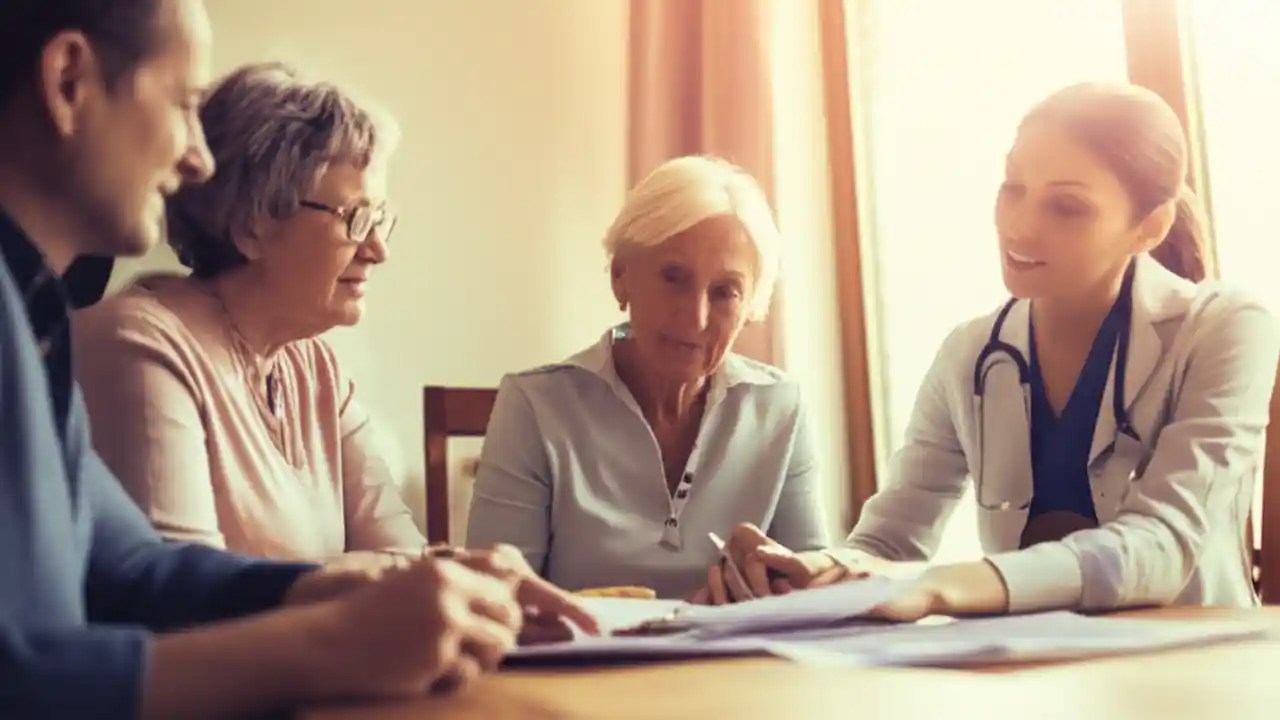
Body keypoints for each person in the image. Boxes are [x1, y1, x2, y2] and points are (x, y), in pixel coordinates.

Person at [0, 2, 594, 717]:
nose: (196, 160)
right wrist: (332, 641)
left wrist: (364, 591)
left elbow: (135, 570)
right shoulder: (113, 332)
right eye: (185, 104)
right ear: (69, 81)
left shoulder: (34, 316)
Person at [703, 83, 1280, 615]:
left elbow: (1163, 543)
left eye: (1067, 206)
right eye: (1013, 188)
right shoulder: (971, 353)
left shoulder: (1226, 327)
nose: (1020, 227)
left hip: (1192, 670)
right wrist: (815, 571)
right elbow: (888, 542)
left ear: (1149, 227)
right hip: (1037, 677)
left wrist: (938, 586)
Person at [74, 61, 425, 561]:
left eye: (379, 219)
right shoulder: (141, 344)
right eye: (355, 217)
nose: (377, 249)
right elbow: (185, 599)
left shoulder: (313, 366)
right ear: (252, 223)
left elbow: (403, 555)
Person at [467, 155, 829, 599]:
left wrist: (782, 584)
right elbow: (489, 601)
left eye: (725, 292)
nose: (695, 318)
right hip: (581, 667)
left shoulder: (781, 407)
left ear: (751, 304)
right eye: (674, 278)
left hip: (736, 664)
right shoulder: (534, 406)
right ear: (621, 276)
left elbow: (814, 599)